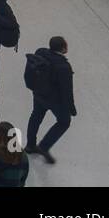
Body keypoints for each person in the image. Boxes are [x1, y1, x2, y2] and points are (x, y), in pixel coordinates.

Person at [25, 36, 76, 164]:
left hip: (39, 93)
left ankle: (30, 145)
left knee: (36, 115)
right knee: (64, 122)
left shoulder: (40, 52)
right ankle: (44, 146)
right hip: (55, 100)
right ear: (64, 48)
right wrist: (71, 108)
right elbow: (67, 90)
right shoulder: (64, 67)